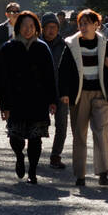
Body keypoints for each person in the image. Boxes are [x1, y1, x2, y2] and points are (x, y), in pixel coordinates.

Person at [57, 8, 108, 187]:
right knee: (79, 134)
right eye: (81, 23)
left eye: (87, 23)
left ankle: (103, 173)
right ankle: (80, 175)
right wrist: (64, 94)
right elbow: (63, 71)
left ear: (96, 25)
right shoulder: (71, 45)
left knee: (101, 133)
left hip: (101, 93)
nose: (83, 27)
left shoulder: (106, 45)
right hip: (79, 94)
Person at [0, 10, 58, 184]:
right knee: (15, 137)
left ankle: (32, 171)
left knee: (35, 138)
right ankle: (19, 157)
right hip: (15, 99)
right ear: (18, 28)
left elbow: (50, 76)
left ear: (36, 28)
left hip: (38, 100)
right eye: (24, 26)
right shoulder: (9, 48)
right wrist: (2, 99)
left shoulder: (42, 47)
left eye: (31, 26)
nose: (28, 29)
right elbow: (2, 76)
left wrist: (53, 100)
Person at [41, 13, 70, 169]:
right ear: (42, 29)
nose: (51, 31)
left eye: (54, 27)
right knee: (37, 124)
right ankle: (35, 153)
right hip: (40, 91)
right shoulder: (36, 44)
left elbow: (69, 70)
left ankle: (55, 155)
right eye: (48, 27)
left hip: (61, 91)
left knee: (62, 125)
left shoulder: (65, 45)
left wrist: (67, 92)